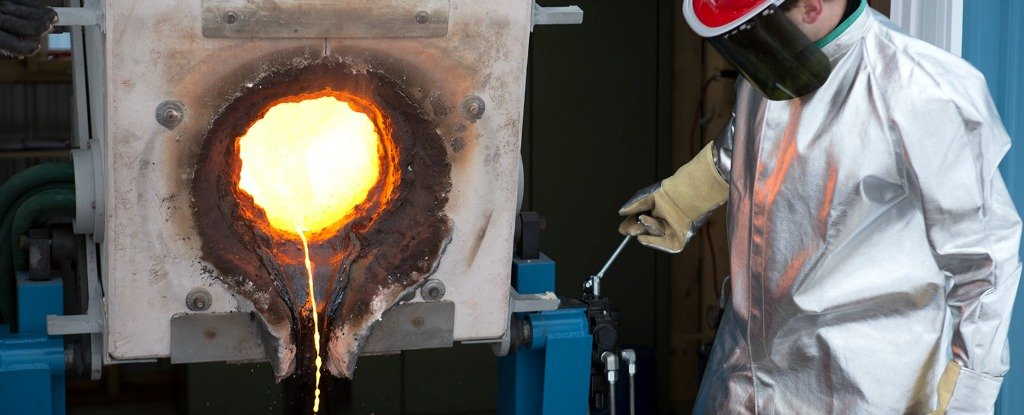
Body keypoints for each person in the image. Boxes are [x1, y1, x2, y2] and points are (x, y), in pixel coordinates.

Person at [619, 0, 1022, 413]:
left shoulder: (919, 88)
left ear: (812, 7)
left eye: (755, 30)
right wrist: (682, 197)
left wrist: (966, 398)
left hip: (860, 390)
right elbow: (742, 145)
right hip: (745, 374)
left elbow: (986, 264)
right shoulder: (774, 63)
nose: (751, 47)